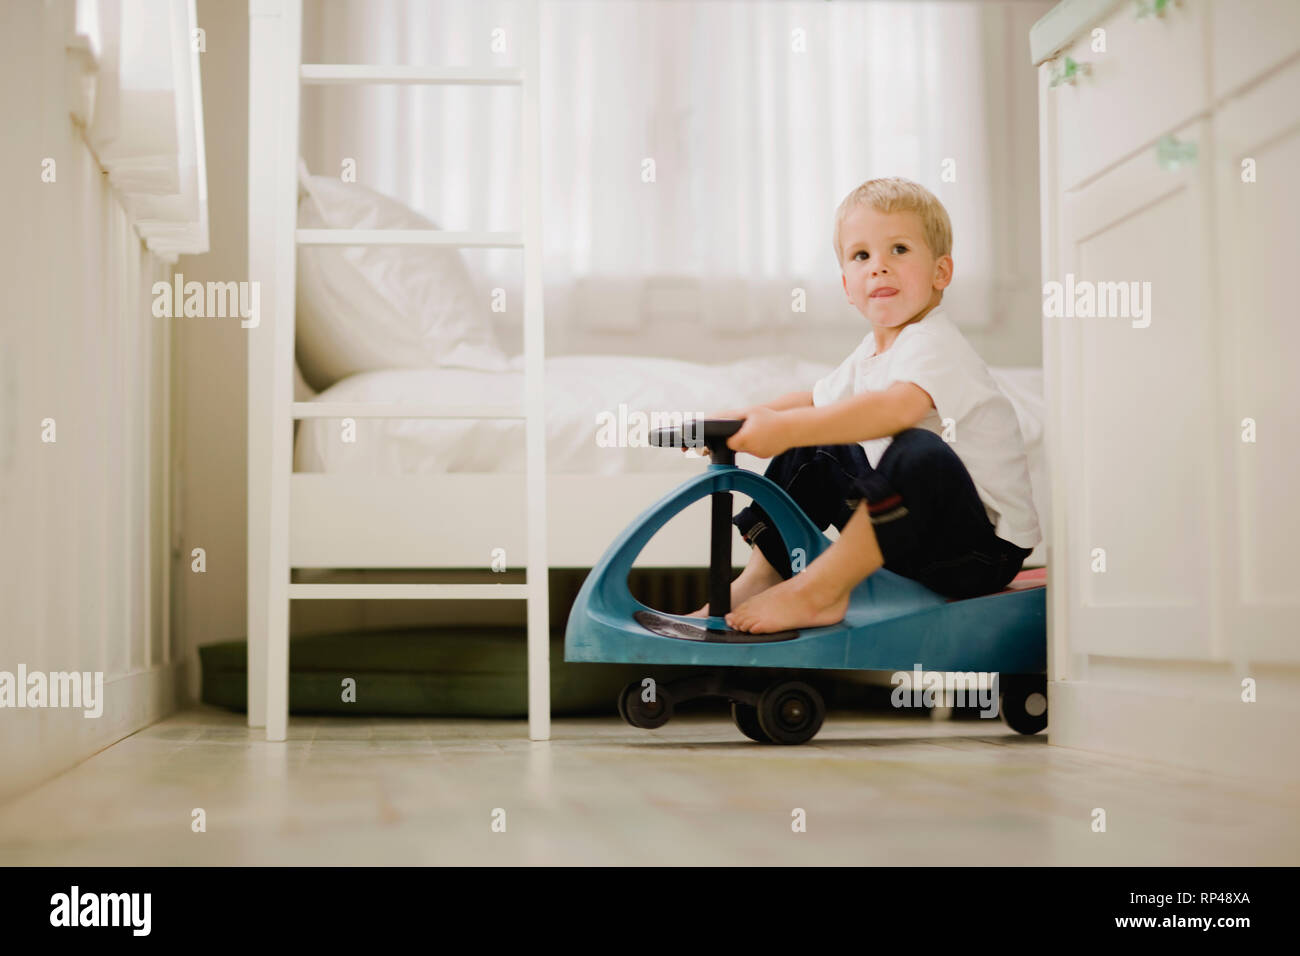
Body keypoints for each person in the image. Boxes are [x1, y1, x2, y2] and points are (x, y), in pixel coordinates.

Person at [690, 177, 1041, 633]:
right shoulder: (870, 354)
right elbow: (813, 401)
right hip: (908, 535)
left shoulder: (934, 342)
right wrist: (747, 419)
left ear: (941, 273)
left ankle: (822, 590)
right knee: (811, 441)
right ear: (846, 286)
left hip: (977, 552)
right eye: (862, 256)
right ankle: (764, 574)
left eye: (899, 249)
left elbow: (896, 410)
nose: (879, 268)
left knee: (918, 451)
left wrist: (788, 428)